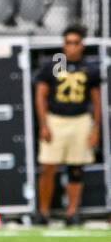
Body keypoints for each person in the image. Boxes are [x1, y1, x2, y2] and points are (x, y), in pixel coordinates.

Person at [35, 24, 102, 226]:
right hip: (56, 118)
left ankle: (72, 212)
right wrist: (43, 124)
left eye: (75, 43)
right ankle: (43, 212)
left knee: (76, 168)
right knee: (48, 165)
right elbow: (42, 95)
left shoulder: (89, 68)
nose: (71, 47)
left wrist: (96, 128)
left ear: (82, 45)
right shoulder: (57, 63)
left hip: (80, 119)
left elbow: (96, 100)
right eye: (68, 43)